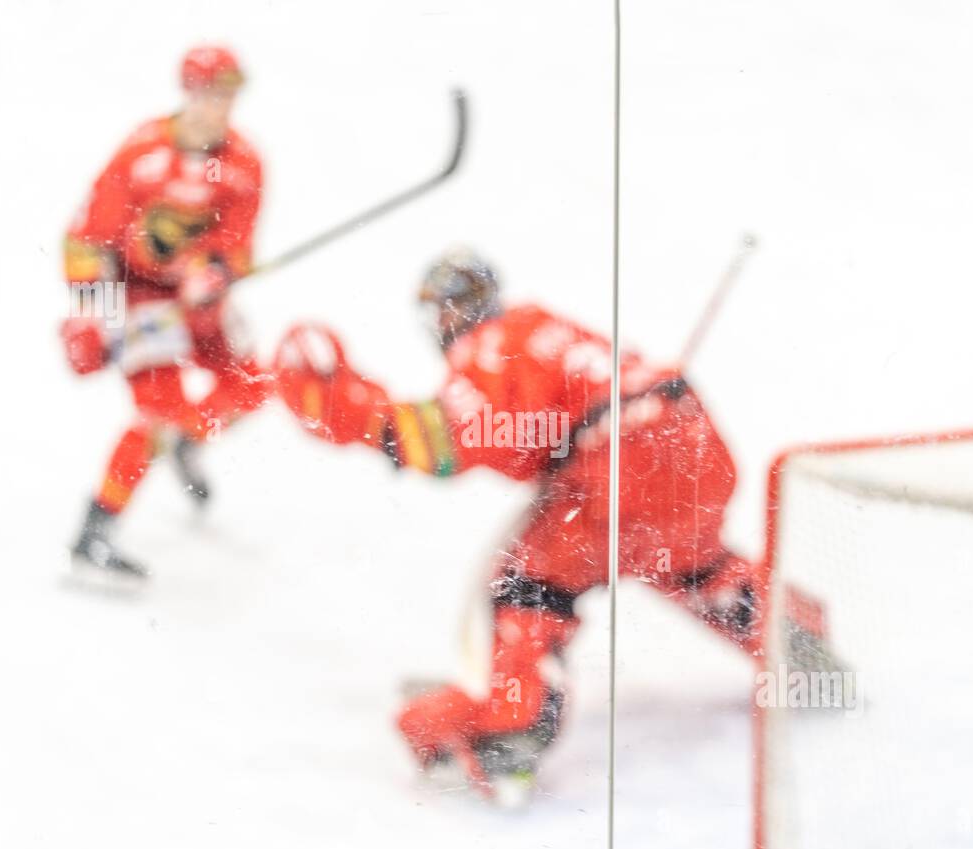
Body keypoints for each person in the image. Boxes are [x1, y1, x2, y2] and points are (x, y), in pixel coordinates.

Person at [274, 248, 759, 800]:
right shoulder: (541, 325)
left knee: (528, 587)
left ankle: (511, 731)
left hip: (619, 467)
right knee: (680, 558)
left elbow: (443, 437)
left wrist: (341, 405)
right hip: (692, 443)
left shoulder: (489, 345)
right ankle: (785, 633)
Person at [60, 45, 271, 578]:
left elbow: (238, 242)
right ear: (188, 92)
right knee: (157, 413)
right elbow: (89, 240)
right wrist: (96, 313)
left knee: (253, 383)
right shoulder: (141, 152)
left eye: (227, 96)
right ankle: (96, 531)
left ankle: (187, 438)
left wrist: (218, 269)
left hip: (199, 303)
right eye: (209, 94)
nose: (218, 107)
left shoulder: (244, 163)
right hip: (141, 299)